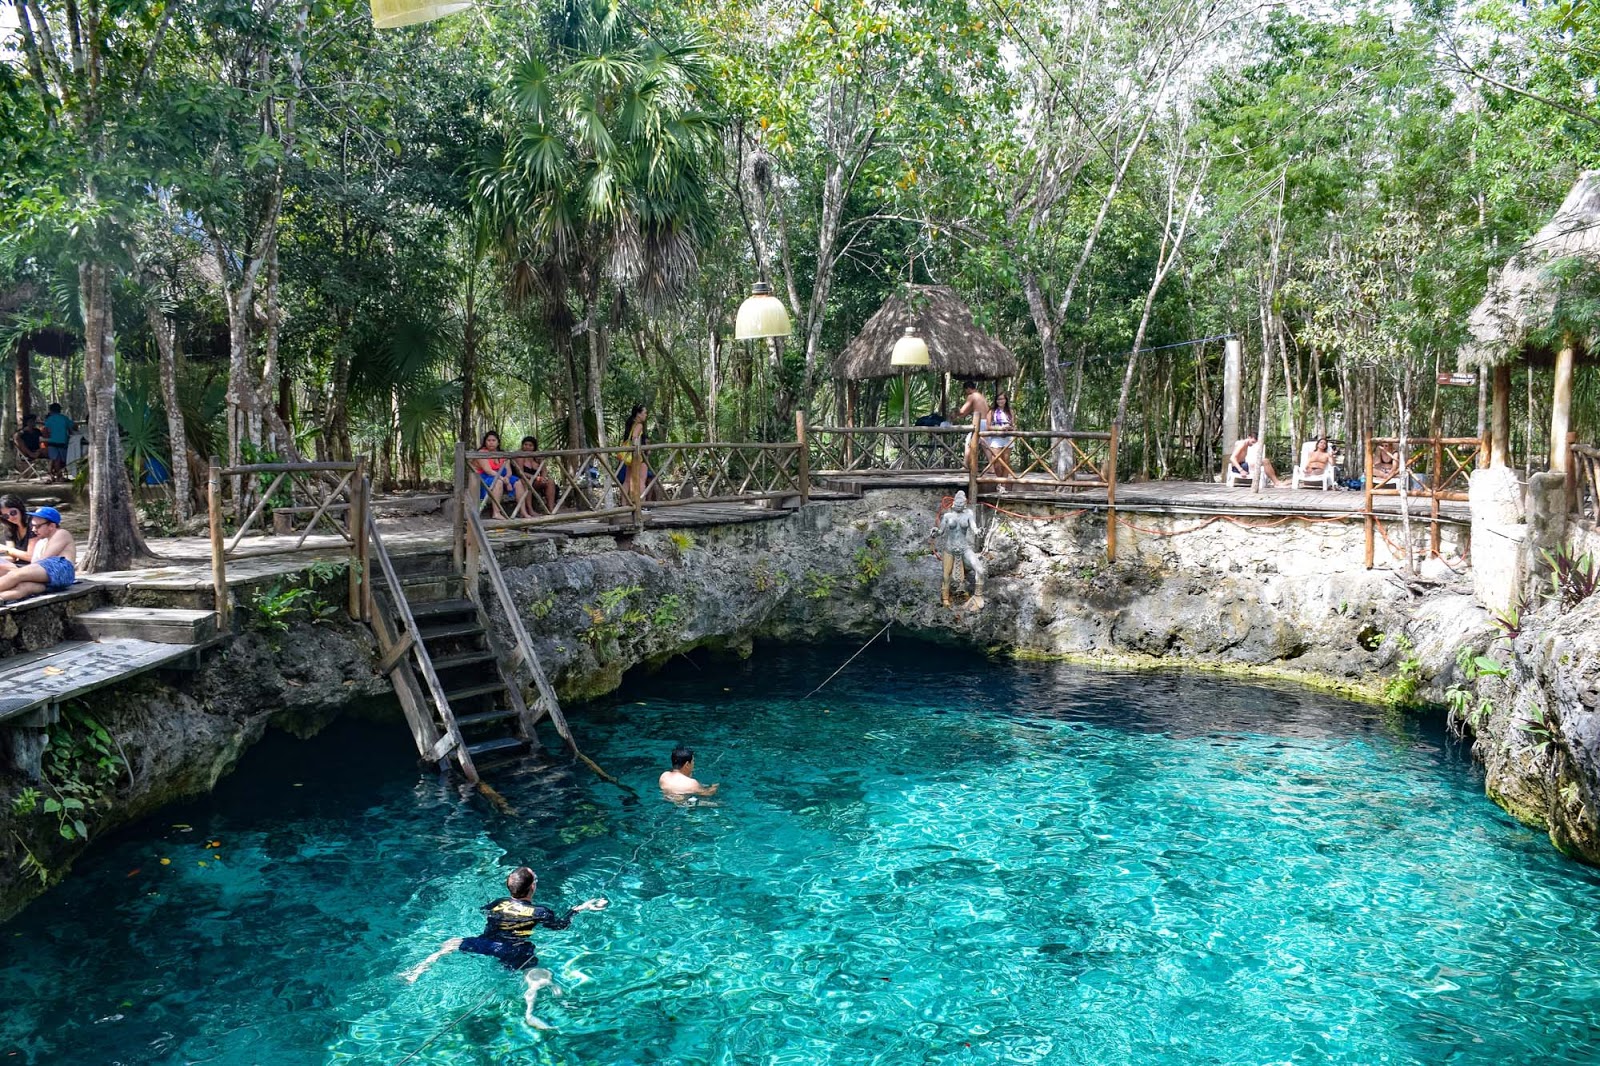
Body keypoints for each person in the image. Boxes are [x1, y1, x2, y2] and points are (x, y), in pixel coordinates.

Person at [403, 866, 608, 1026]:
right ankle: (529, 1013)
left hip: (486, 942)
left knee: (450, 944)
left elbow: (487, 912)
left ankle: (417, 970)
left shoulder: (497, 902)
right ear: (532, 887)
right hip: (514, 949)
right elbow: (560, 927)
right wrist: (579, 908)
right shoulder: (541, 912)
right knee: (537, 973)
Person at [0, 507, 76, 602]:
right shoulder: (42, 542)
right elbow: (36, 565)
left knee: (16, 574)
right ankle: (2, 597)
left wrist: (15, 569)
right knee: (24, 587)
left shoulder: (61, 533)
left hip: (61, 568)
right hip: (59, 580)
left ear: (51, 526)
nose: (33, 529)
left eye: (37, 526)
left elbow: (44, 560)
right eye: (32, 526)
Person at [935, 489, 985, 610]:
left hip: (964, 548)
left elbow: (974, 528)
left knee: (980, 569)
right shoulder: (947, 516)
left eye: (960, 504)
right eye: (956, 504)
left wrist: (979, 532)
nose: (957, 506)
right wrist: (934, 532)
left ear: (965, 505)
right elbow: (940, 531)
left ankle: (978, 596)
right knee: (946, 576)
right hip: (950, 548)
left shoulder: (968, 515)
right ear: (953, 504)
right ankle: (946, 599)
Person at [473, 430, 517, 519]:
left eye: (493, 440)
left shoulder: (503, 454)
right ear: (485, 442)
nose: (491, 443)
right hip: (484, 478)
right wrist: (504, 480)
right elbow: (488, 471)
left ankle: (522, 511)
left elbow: (509, 471)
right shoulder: (482, 453)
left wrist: (507, 478)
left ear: (498, 442)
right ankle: (496, 513)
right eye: (489, 440)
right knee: (498, 482)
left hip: (502, 476)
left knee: (518, 482)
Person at [618, 405, 656, 504]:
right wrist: (638, 447)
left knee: (627, 480)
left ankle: (623, 504)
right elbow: (635, 436)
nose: (646, 415)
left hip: (629, 455)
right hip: (637, 455)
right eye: (644, 413)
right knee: (641, 481)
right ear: (638, 414)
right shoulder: (639, 425)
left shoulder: (630, 423)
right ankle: (641, 504)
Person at [513, 436, 558, 517]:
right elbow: (520, 472)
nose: (527, 447)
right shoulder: (520, 456)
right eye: (525, 444)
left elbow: (544, 470)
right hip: (524, 481)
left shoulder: (537, 457)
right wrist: (535, 477)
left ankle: (550, 509)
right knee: (527, 482)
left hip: (536, 482)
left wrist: (543, 477)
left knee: (550, 481)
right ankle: (530, 510)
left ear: (534, 447)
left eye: (530, 445)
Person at [983, 392, 1017, 481]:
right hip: (996, 438)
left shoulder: (1010, 411)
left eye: (1002, 399)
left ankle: (1003, 484)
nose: (1000, 401)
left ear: (1006, 400)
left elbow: (1013, 425)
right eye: (998, 399)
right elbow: (988, 426)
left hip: (1008, 438)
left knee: (1006, 462)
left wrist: (1010, 428)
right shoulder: (992, 412)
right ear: (996, 401)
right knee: (996, 462)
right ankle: (999, 480)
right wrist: (1000, 428)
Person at [957, 381, 990, 473]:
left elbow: (962, 411)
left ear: (968, 389)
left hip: (979, 423)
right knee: (985, 444)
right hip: (986, 422)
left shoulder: (971, 396)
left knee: (968, 443)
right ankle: (991, 465)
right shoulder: (981, 396)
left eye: (965, 391)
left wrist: (955, 412)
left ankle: (965, 465)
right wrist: (960, 415)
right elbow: (968, 411)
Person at [0, 494, 36, 571]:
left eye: (13, 513)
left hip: (36, 566)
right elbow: (12, 557)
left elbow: (31, 557)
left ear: (20, 508)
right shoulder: (9, 529)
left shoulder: (34, 524)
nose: (10, 518)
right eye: (5, 516)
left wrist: (4, 548)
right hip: (19, 565)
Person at [42, 403, 75, 483]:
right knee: (64, 460)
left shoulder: (49, 419)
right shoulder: (64, 418)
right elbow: (73, 427)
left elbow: (45, 430)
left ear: (51, 410)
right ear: (60, 410)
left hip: (52, 442)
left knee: (55, 459)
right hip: (63, 441)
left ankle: (58, 476)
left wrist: (47, 437)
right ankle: (62, 476)